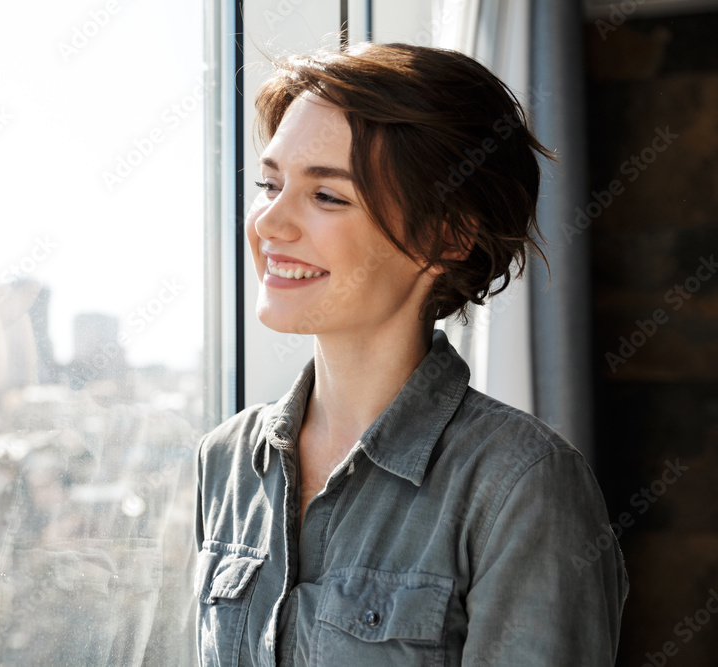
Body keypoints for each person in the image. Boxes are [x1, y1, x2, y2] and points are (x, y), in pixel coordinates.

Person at [194, 42, 628, 666]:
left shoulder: (523, 485)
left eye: (327, 196)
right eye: (270, 184)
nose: (268, 223)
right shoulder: (227, 460)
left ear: (447, 236)